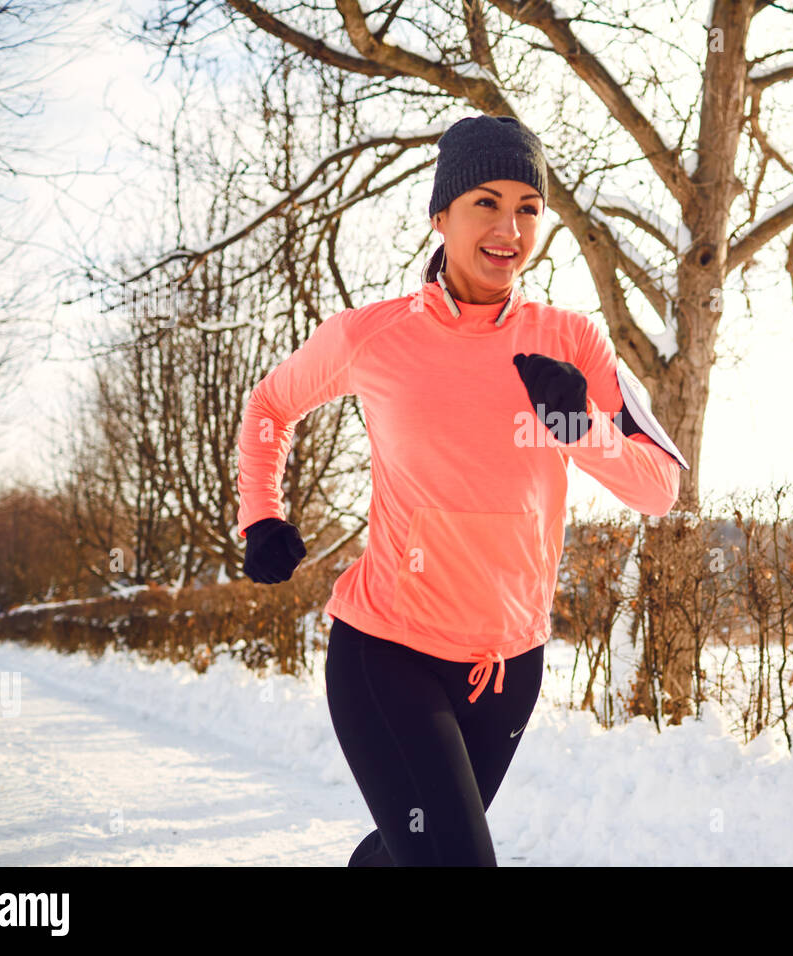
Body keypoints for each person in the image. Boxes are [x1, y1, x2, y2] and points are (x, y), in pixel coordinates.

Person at [234, 113, 689, 866]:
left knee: (414, 850)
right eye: (486, 201)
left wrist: (580, 429)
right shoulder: (370, 336)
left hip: (510, 664)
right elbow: (269, 407)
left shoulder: (572, 340)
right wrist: (261, 514)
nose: (509, 226)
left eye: (528, 207)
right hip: (387, 648)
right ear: (440, 215)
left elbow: (659, 489)